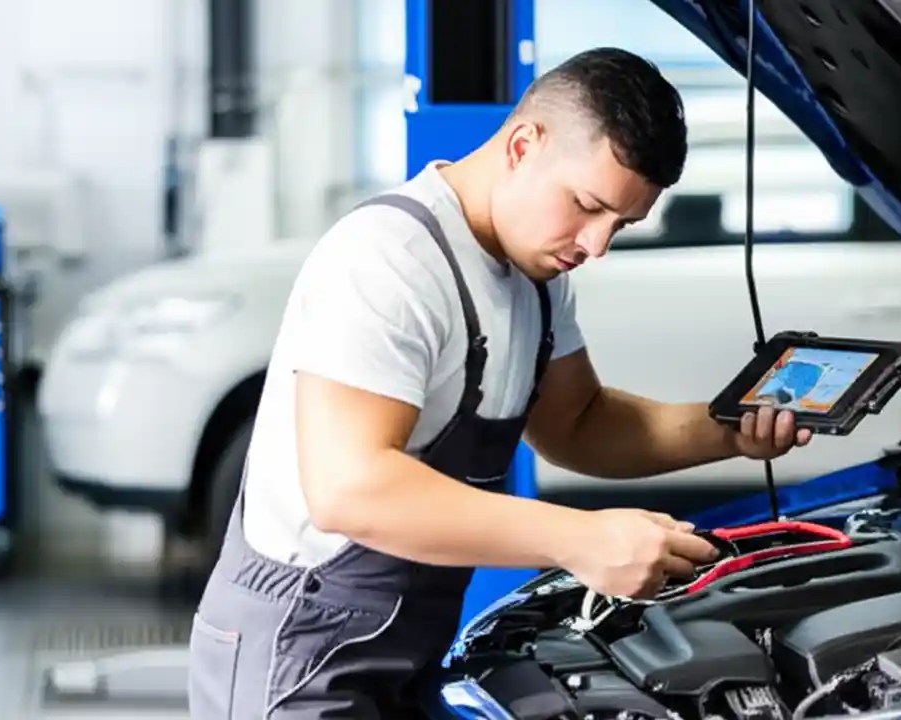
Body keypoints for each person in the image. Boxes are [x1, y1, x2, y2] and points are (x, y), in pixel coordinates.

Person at [187, 46, 812, 719]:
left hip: (404, 648)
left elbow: (580, 425)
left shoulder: (536, 281)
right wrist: (581, 540)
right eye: (586, 205)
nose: (596, 245)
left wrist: (734, 431)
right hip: (296, 651)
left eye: (620, 225)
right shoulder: (389, 261)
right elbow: (351, 490)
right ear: (522, 144)